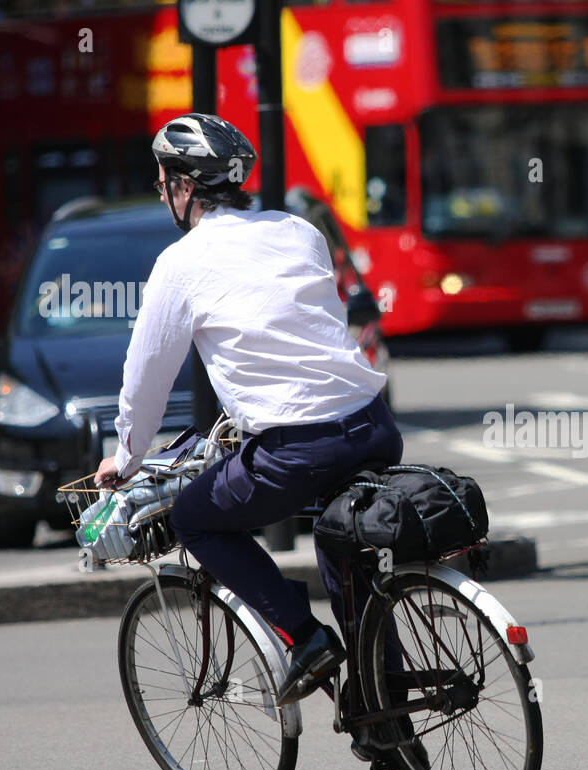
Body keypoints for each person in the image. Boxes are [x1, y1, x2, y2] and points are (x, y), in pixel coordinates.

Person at [93, 113, 398, 708]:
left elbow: (146, 380)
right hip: (374, 424)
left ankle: (307, 640)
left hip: (297, 448)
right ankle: (382, 712)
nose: (162, 193)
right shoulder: (299, 231)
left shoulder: (181, 264)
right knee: (344, 541)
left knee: (195, 518)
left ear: (185, 188)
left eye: (163, 181)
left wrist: (126, 458)